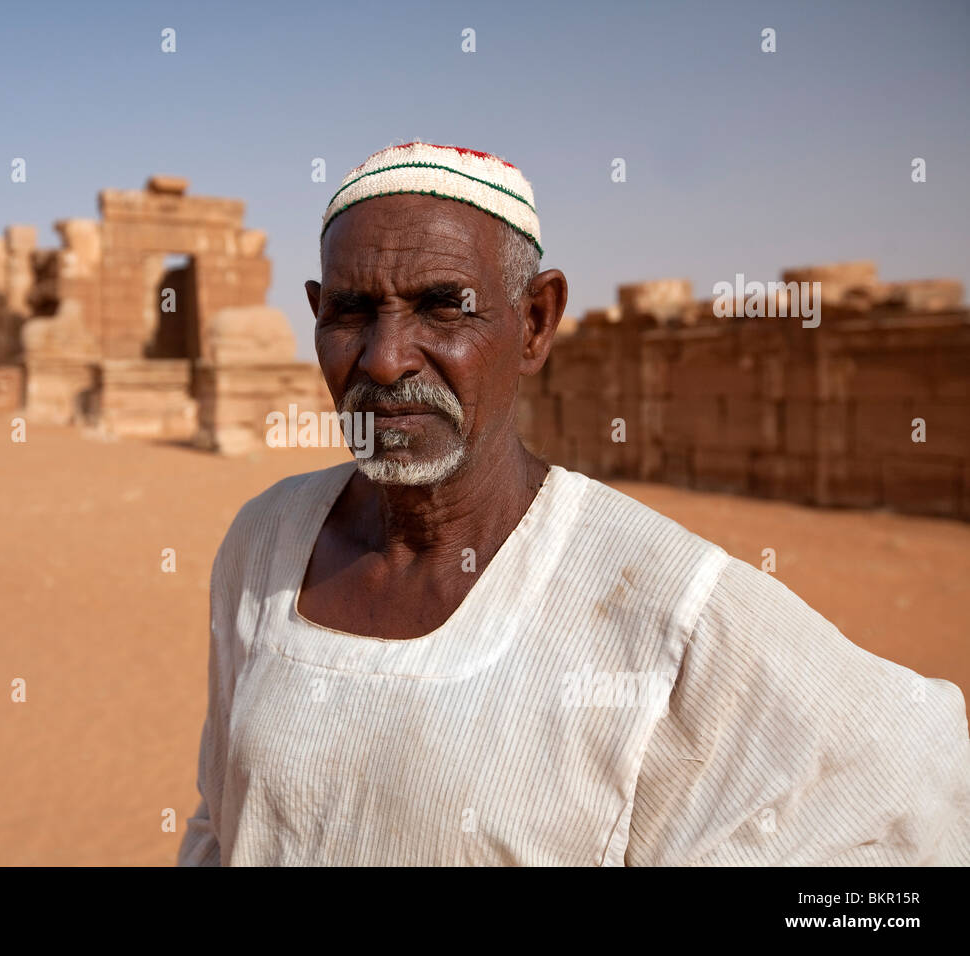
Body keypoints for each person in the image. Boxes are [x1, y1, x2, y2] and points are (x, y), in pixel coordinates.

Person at [177, 141, 970, 866]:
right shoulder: (267, 540)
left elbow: (912, 788)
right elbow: (223, 821)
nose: (384, 360)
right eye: (351, 311)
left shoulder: (668, 602)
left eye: (442, 307)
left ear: (534, 323)